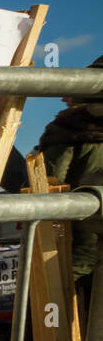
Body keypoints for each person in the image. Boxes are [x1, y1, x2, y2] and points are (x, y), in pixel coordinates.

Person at [38, 54, 103, 312]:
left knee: (71, 287)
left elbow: (49, 182)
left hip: (81, 230)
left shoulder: (68, 128)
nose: (64, 97)